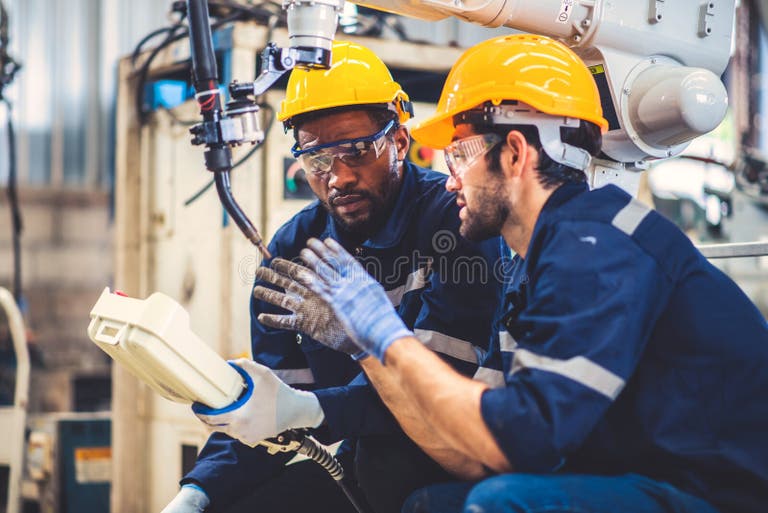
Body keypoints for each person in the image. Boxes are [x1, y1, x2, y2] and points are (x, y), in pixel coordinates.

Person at [266, 34, 768, 513]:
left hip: (716, 495)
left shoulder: (595, 248)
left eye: (459, 154)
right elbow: (469, 448)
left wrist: (385, 335)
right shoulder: (535, 266)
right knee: (430, 503)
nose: (449, 182)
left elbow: (519, 446)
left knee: (503, 504)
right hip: (647, 479)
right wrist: (365, 348)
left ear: (514, 152)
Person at [161, 40, 504, 513]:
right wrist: (197, 491)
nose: (338, 177)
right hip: (356, 457)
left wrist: (318, 402)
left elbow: (437, 394)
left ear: (400, 142)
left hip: (451, 462)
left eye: (358, 151)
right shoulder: (292, 249)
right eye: (318, 159)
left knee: (394, 472)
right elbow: (270, 408)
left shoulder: (455, 224)